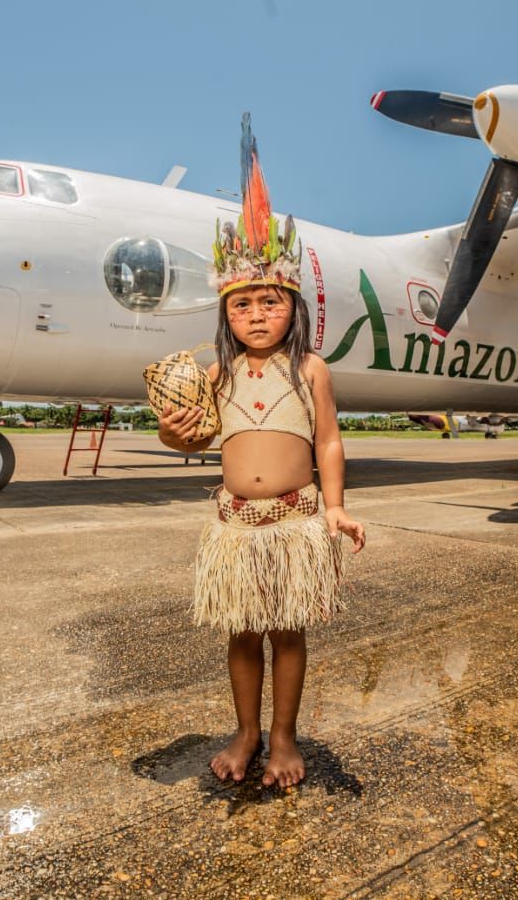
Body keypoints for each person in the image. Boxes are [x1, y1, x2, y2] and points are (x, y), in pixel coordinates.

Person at [158, 114, 365, 789]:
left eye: (270, 302)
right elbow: (186, 435)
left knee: (288, 633)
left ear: (293, 307)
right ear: (226, 314)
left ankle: (282, 736)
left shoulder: (310, 370)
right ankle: (246, 731)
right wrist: (173, 432)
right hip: (235, 527)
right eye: (241, 304)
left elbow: (328, 439)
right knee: (242, 632)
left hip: (293, 520)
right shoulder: (215, 373)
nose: (255, 314)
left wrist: (334, 509)